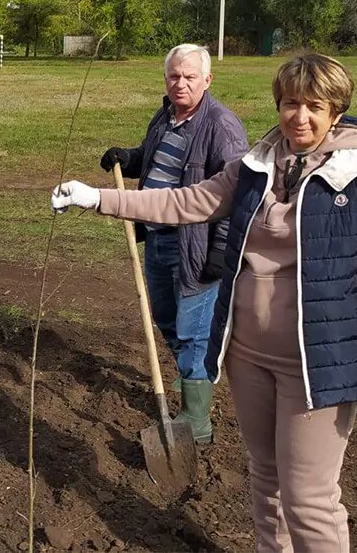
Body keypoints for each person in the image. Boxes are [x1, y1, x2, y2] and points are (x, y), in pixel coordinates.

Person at [53, 53, 357, 552]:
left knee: (308, 498)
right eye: (289, 104)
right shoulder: (256, 167)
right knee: (266, 482)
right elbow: (185, 201)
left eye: (314, 106)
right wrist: (99, 198)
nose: (299, 117)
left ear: (337, 112)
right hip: (248, 356)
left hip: (320, 364)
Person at [99, 43, 247, 444]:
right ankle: (192, 372)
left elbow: (238, 193)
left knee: (194, 333)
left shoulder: (221, 125)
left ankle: (196, 425)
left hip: (197, 248)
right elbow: (155, 158)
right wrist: (129, 158)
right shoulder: (165, 116)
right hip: (158, 241)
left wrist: (220, 249)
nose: (180, 84)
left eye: (189, 77)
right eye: (174, 76)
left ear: (207, 80)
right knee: (165, 319)